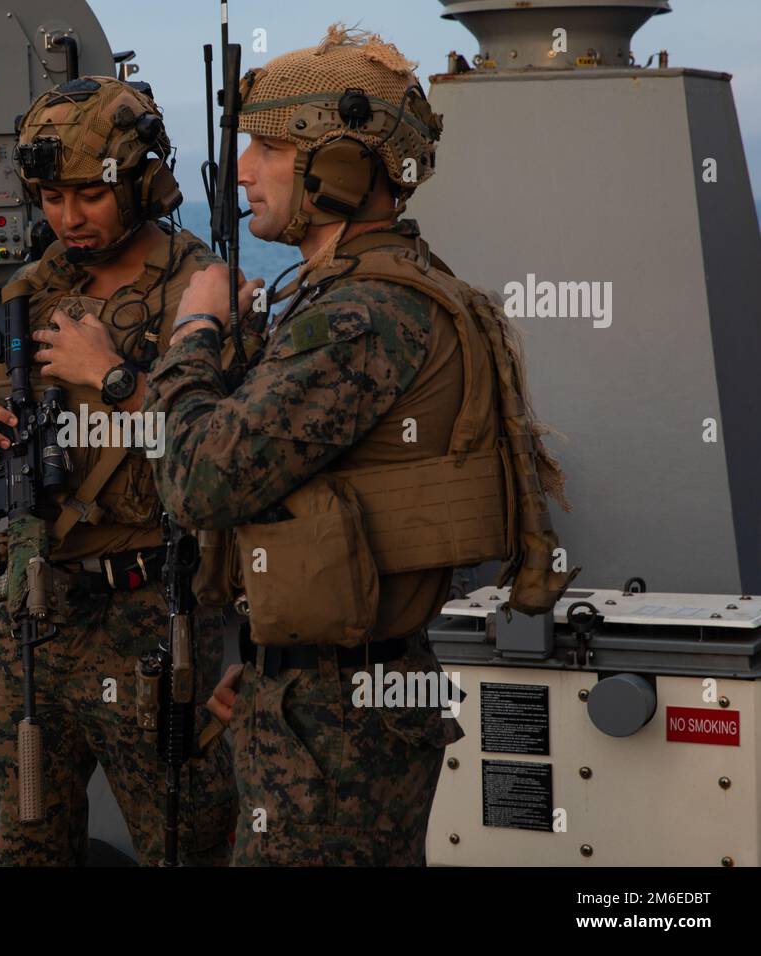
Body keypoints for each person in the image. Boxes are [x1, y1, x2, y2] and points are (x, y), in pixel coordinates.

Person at [144, 26, 575, 866]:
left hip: (331, 733)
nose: (240, 171)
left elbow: (198, 480)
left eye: (267, 148)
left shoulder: (357, 318)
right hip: (330, 699)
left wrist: (196, 327)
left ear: (337, 170)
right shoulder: (385, 290)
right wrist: (273, 664)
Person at [0, 76, 236, 866]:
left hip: (151, 616)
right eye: (51, 197)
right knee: (29, 844)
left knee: (184, 845)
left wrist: (113, 375)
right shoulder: (35, 290)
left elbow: (221, 463)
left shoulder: (201, 291)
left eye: (89, 197)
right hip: (38, 612)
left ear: (142, 183)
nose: (68, 217)